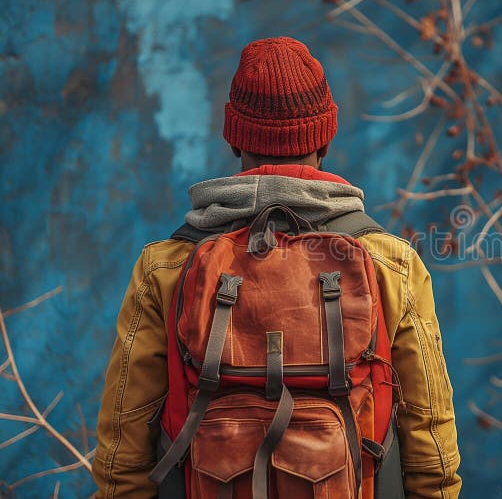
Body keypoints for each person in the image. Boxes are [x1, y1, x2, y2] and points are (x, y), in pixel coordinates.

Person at [92, 37, 461, 498]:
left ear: (234, 139)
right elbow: (432, 447)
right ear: (326, 139)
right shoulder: (391, 263)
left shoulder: (166, 267)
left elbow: (122, 456)